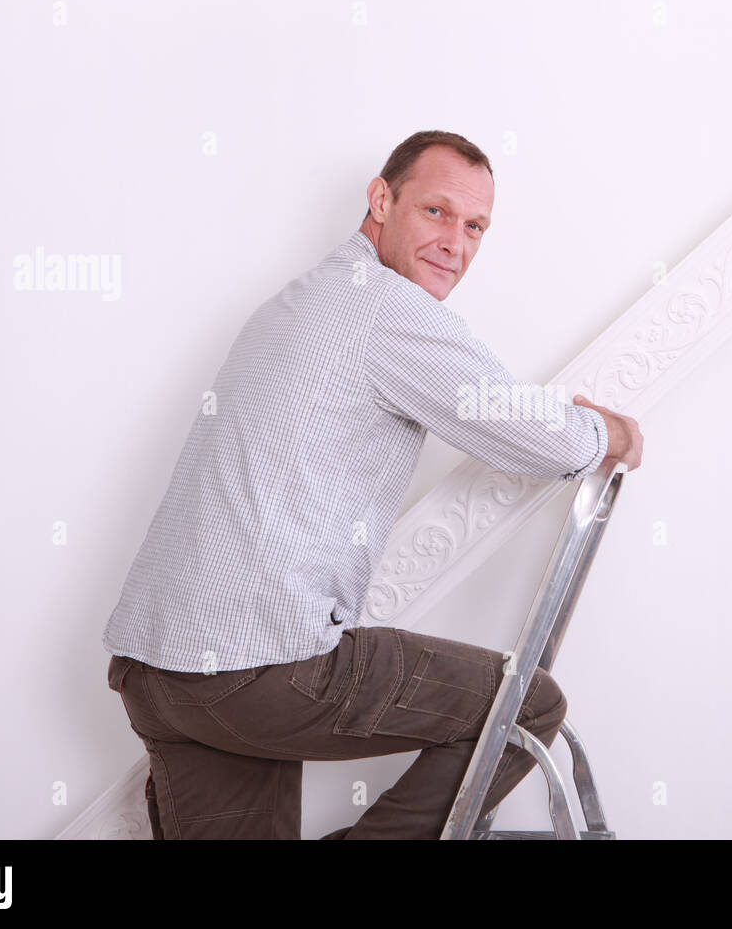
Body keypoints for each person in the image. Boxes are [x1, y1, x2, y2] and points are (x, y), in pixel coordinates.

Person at [102, 130, 644, 839]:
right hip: (255, 669)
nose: (455, 243)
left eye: (475, 227)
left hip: (160, 673)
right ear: (381, 200)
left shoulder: (302, 299)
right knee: (529, 704)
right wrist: (611, 433)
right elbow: (539, 436)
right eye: (436, 212)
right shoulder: (386, 308)